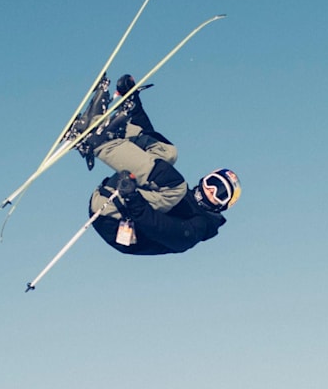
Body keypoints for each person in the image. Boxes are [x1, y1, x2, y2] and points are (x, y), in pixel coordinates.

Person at [75, 74, 241, 256]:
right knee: (167, 152)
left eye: (221, 194)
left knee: (175, 187)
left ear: (222, 206)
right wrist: (134, 101)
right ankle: (116, 128)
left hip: (113, 220)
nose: (211, 191)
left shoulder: (199, 226)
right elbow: (151, 152)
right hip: (114, 196)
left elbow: (162, 229)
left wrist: (133, 199)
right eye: (214, 183)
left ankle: (97, 142)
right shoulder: (183, 196)